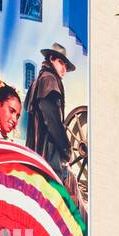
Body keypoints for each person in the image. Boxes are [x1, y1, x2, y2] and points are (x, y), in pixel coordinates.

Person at [24, 43, 75, 181]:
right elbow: (52, 120)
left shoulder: (39, 80)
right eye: (60, 62)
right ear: (51, 59)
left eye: (65, 65)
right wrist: (66, 150)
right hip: (47, 158)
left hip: (37, 156)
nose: (64, 68)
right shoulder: (49, 79)